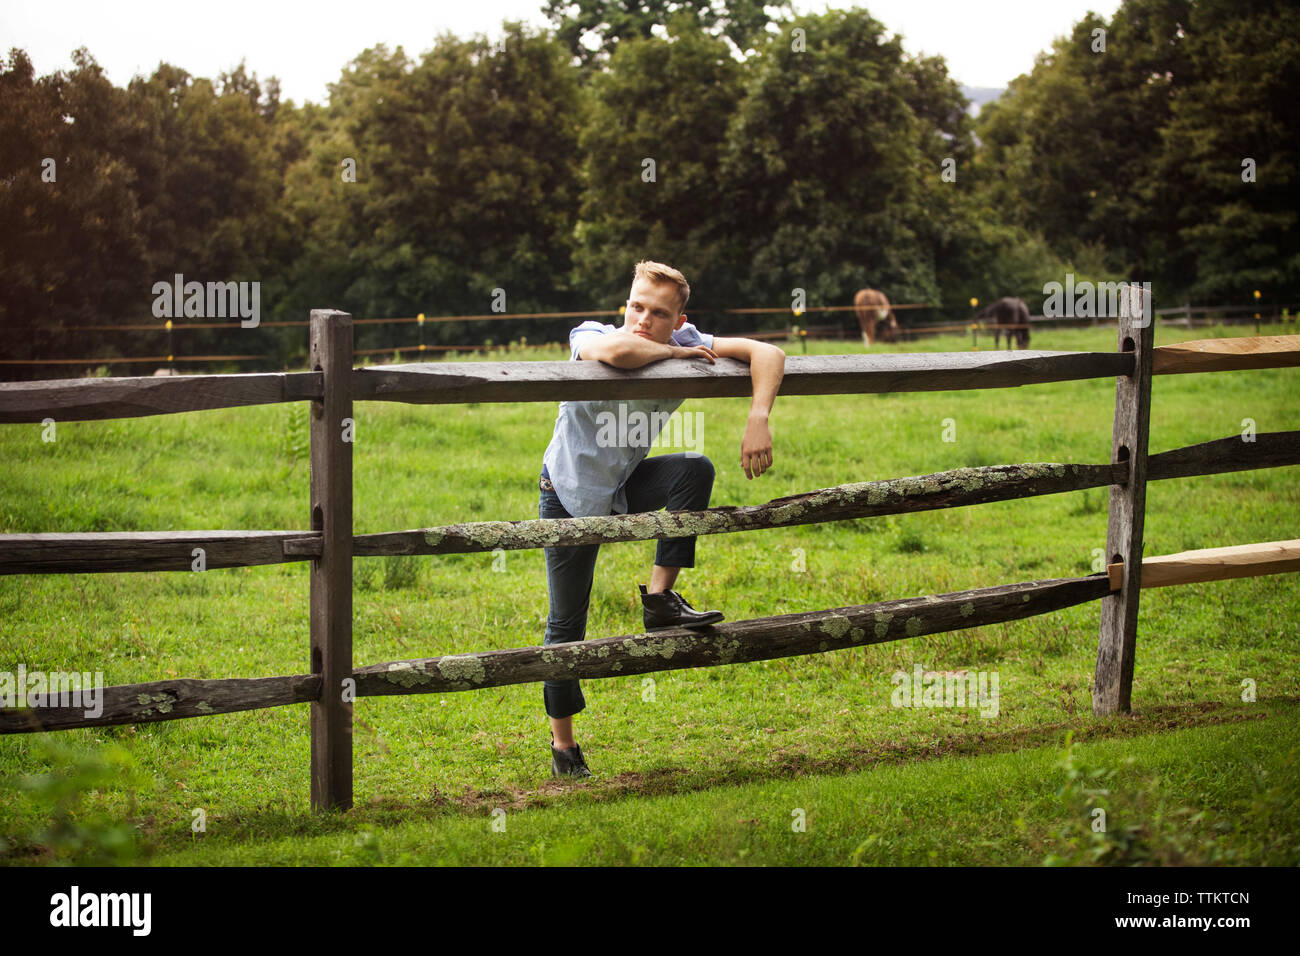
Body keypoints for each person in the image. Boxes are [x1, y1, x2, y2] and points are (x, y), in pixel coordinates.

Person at [538, 260, 785, 778]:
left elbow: (768, 352)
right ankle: (564, 748)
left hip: (624, 484)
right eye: (636, 306)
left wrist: (757, 417)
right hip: (569, 493)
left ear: (680, 317)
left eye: (659, 313)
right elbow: (620, 353)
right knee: (567, 622)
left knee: (693, 468)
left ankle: (659, 600)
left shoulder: (692, 337)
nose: (643, 319)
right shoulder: (593, 335)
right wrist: (676, 355)